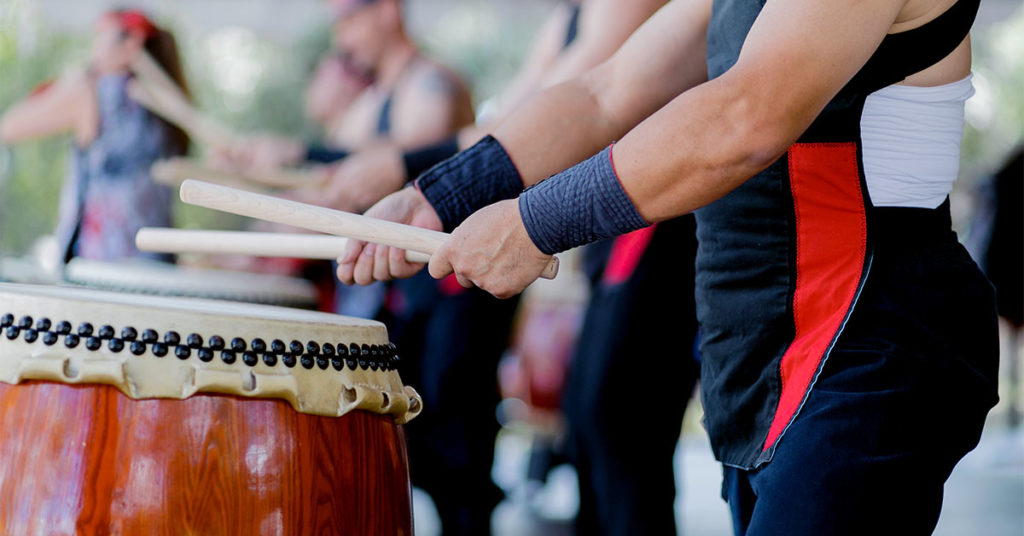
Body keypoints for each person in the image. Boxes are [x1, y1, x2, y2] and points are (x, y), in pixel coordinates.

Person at [338, 0, 999, 533]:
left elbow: (748, 115)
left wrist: (535, 223)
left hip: (870, 342)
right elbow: (605, 92)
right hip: (762, 346)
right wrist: (442, 193)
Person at [0, 9, 189, 264]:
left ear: (131, 42)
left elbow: (9, 127)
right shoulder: (168, 104)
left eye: (101, 37)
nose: (94, 50)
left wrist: (68, 84)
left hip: (102, 265)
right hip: (157, 263)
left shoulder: (94, 92)